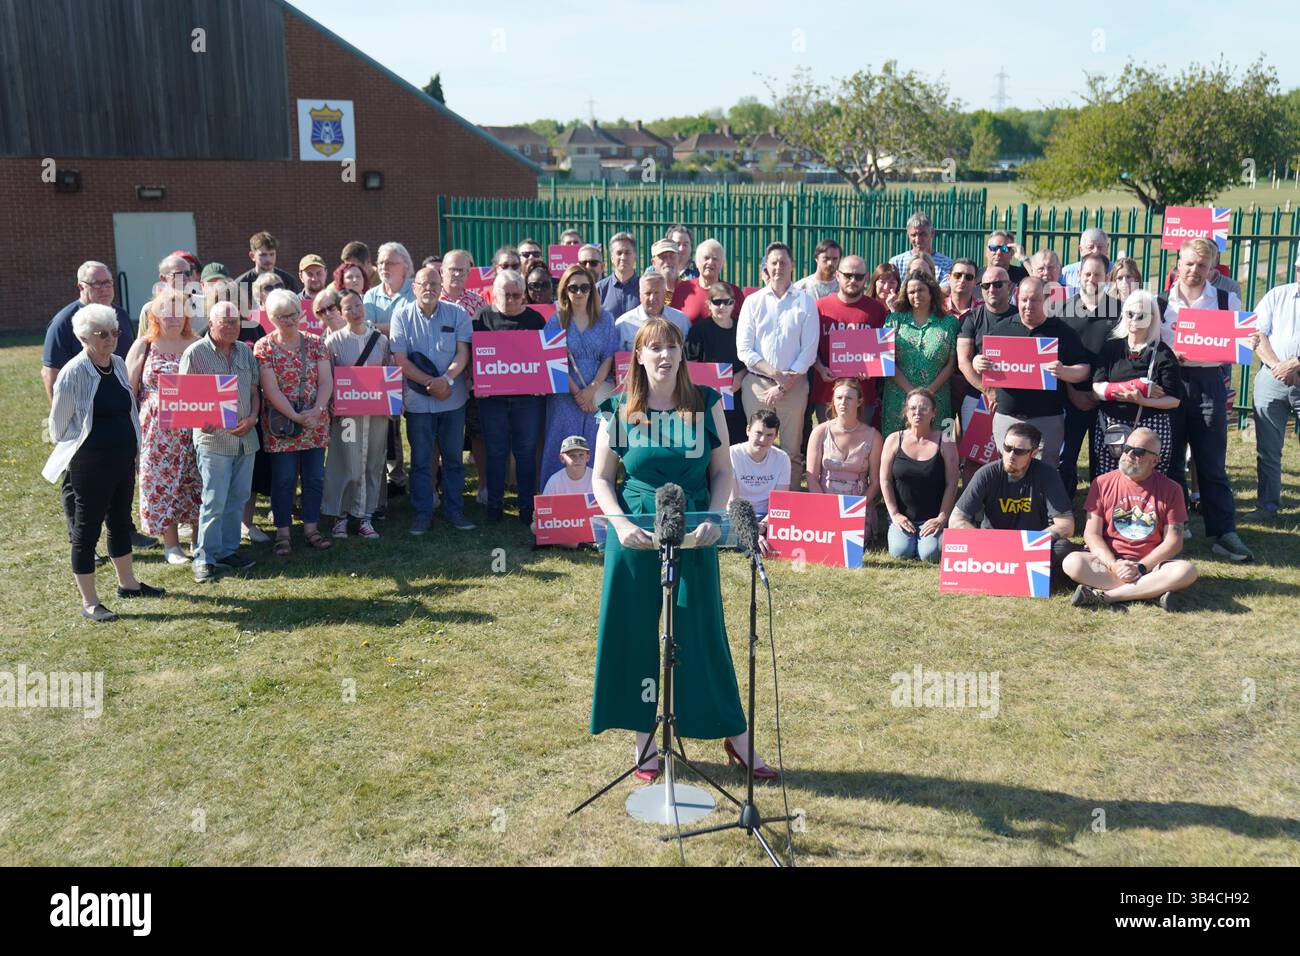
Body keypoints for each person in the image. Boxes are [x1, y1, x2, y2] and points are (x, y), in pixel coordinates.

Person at [590, 317, 776, 781]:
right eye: (654, 348)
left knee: (701, 628)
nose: (664, 355)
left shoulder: (705, 403)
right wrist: (617, 523)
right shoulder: (618, 407)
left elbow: (721, 472)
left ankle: (734, 735)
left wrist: (713, 516)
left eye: (672, 346)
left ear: (681, 355)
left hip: (693, 528)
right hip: (633, 530)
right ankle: (644, 740)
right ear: (638, 355)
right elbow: (601, 477)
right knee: (631, 632)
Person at [43, 304, 164, 622]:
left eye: (114, 332)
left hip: (122, 459)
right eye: (103, 334)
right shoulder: (73, 373)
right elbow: (57, 428)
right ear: (84, 337)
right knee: (86, 530)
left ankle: (128, 584)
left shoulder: (120, 363)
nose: (111, 338)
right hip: (90, 465)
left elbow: (128, 408)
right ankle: (90, 602)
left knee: (121, 521)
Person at [1160, 237, 1253, 562]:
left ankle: (1224, 532)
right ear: (1178, 263)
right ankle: (1173, 528)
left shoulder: (1227, 301)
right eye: (1189, 263)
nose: (1194, 270)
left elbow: (1243, 345)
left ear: (1213, 269)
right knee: (1169, 460)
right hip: (1171, 383)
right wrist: (1172, 355)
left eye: (1202, 265)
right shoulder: (1161, 303)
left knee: (1211, 462)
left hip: (1209, 382)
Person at [1064, 427, 1198, 611]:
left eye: (1139, 452)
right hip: (1110, 563)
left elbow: (1174, 542)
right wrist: (1114, 564)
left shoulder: (1172, 489)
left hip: (1150, 566)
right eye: (1126, 447)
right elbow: (1091, 534)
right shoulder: (1101, 483)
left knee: (1186, 571)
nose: (1128, 454)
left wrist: (1141, 568)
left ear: (1155, 461)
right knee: (1072, 562)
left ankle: (1106, 597)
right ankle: (1150, 591)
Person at [390, 266, 475, 534]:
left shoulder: (458, 314)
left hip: (453, 399)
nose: (429, 289)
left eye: (434, 284)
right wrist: (430, 383)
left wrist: (446, 380)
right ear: (414, 288)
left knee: (453, 459)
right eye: (424, 284)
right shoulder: (401, 316)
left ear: (441, 287)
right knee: (421, 460)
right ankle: (422, 512)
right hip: (418, 403)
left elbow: (463, 353)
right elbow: (400, 360)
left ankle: (454, 510)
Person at [180, 301, 261, 584]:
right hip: (213, 439)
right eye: (224, 321)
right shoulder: (195, 353)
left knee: (238, 497)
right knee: (214, 499)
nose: (231, 326)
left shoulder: (245, 353)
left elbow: (254, 391)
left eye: (235, 322)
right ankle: (204, 556)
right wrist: (199, 418)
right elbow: (184, 397)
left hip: (245, 438)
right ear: (211, 324)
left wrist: (252, 417)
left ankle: (228, 550)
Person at [973, 277, 1091, 468]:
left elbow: (1084, 370)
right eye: (1024, 300)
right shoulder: (1001, 329)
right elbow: (982, 359)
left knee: (1044, 471)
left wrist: (1065, 371)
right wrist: (977, 362)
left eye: (1034, 300)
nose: (1028, 305)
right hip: (1007, 416)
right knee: (1007, 470)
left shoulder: (1062, 332)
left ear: (1046, 300)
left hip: (1047, 418)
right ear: (1017, 300)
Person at [126, 289, 202, 566]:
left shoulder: (197, 344)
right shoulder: (145, 345)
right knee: (162, 484)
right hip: (156, 432)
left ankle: (198, 539)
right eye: (166, 312)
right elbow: (129, 391)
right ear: (154, 315)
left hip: (194, 428)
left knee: (196, 483)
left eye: (178, 312)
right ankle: (171, 545)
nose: (172, 318)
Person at [254, 289, 333, 556]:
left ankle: (312, 528)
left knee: (314, 477)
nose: (289, 320)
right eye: (282, 316)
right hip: (282, 424)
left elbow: (326, 381)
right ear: (271, 317)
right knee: (284, 479)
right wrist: (296, 416)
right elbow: (271, 390)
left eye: (292, 315)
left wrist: (317, 410)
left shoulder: (315, 343)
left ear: (301, 314)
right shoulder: (263, 347)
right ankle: (283, 532)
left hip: (314, 421)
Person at [737, 242, 819, 489]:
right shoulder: (752, 302)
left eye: (783, 262)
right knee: (757, 445)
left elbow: (808, 352)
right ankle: (754, 500)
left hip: (794, 387)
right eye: (773, 262)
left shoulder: (805, 303)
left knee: (791, 452)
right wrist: (774, 374)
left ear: (792, 266)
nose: (778, 267)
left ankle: (788, 505)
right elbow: (744, 349)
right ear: (766, 267)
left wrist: (784, 385)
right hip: (757, 384)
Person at [950, 421, 1078, 579]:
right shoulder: (986, 474)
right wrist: (982, 542)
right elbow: (956, 519)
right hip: (991, 545)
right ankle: (1024, 568)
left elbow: (1066, 525)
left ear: (1033, 453)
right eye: (1007, 448)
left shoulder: (1048, 475)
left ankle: (1012, 567)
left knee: (1064, 548)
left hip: (1030, 544)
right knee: (947, 543)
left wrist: (1027, 544)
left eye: (1019, 451)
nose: (1011, 455)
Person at [474, 270, 548, 524]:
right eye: (508, 294)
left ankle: (527, 508)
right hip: (492, 399)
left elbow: (546, 358)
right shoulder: (482, 318)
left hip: (527, 399)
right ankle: (494, 507)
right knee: (495, 451)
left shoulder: (536, 320)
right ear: (495, 293)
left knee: (525, 452)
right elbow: (473, 356)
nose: (513, 299)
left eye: (518, 294)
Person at [322, 289, 392, 540]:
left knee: (373, 462)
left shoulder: (380, 340)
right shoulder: (334, 342)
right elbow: (327, 378)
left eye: (358, 305)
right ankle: (340, 516)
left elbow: (388, 373)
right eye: (348, 307)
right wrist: (332, 404)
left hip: (375, 413)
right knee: (347, 462)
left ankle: (365, 516)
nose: (355, 311)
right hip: (348, 415)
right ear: (341, 312)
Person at [1090, 290, 1183, 477]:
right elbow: (1096, 389)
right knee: (1111, 478)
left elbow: (1173, 400)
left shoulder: (1162, 354)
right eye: (1129, 314)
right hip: (1113, 426)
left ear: (1152, 318)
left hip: (1150, 428)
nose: (1134, 320)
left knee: (1146, 478)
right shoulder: (1111, 347)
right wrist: (1135, 387)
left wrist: (1142, 400)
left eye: (1141, 315)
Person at [541, 265, 617, 489]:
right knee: (561, 444)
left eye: (585, 287)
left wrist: (591, 391)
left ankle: (597, 501)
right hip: (565, 394)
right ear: (564, 290)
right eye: (573, 287)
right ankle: (555, 504)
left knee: (595, 446)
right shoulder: (556, 322)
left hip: (597, 394)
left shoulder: (606, 319)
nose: (579, 292)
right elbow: (554, 361)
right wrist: (577, 393)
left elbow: (608, 357)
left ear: (592, 290)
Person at [1056, 252, 1122, 498]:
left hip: (1105, 400)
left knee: (1103, 460)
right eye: (1087, 274)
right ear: (1079, 276)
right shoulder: (1062, 311)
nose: (1092, 279)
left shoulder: (1119, 312)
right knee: (1066, 457)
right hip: (1069, 398)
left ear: (1106, 277)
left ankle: (1100, 509)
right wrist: (1072, 391)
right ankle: (1063, 511)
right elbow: (1057, 358)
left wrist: (1098, 394)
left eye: (1097, 274)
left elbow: (1121, 358)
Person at [881, 388, 959, 562]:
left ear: (933, 413)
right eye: (913, 408)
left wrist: (942, 518)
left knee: (929, 555)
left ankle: (933, 536)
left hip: (932, 517)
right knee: (900, 552)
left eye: (924, 408)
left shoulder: (945, 440)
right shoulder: (893, 439)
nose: (918, 413)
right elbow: (884, 480)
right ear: (906, 412)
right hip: (902, 516)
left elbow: (952, 483)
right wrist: (894, 515)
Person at [365, 242, 416, 497]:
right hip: (384, 369)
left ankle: (427, 476)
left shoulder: (415, 291)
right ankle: (395, 476)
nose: (384, 266)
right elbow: (367, 328)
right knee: (389, 424)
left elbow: (413, 330)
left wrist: (382, 326)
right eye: (381, 262)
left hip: (414, 367)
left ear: (405, 266)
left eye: (390, 262)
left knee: (418, 423)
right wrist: (397, 327)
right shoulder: (371, 295)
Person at [811, 254, 888, 424]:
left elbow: (884, 352)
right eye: (848, 275)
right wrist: (820, 368)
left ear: (866, 278)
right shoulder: (820, 307)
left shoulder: (877, 310)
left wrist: (872, 368)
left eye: (859, 276)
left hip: (863, 395)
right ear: (837, 275)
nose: (853, 280)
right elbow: (809, 348)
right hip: (827, 393)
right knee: (829, 445)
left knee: (859, 447)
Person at [1251, 257, 1300, 519]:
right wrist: (1278, 366)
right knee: (1267, 448)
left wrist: (1295, 363)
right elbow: (1257, 334)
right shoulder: (1276, 295)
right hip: (1272, 377)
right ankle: (1267, 506)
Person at [883, 273, 959, 437]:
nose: (916, 295)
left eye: (921, 290)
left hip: (937, 397)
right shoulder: (893, 320)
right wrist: (912, 392)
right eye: (911, 292)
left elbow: (951, 364)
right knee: (897, 446)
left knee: (940, 446)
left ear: (931, 292)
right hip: (899, 397)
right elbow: (886, 361)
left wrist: (928, 393)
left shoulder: (950, 322)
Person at [806, 378, 882, 537]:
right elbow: (811, 477)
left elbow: (875, 482)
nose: (843, 403)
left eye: (849, 398)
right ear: (833, 400)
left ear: (860, 402)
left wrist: (856, 507)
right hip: (824, 502)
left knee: (848, 536)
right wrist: (825, 505)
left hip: (857, 504)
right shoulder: (820, 432)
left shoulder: (873, 436)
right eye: (839, 398)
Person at [956, 266, 1019, 444]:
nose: (992, 289)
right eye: (986, 286)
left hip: (1015, 399)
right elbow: (963, 362)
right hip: (979, 396)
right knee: (974, 454)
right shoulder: (971, 318)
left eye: (998, 284)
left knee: (1013, 453)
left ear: (1010, 287)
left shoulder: (1022, 317)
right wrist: (989, 391)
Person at [685, 281, 748, 445]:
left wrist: (741, 376)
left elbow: (752, 358)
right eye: (717, 302)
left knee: (736, 442)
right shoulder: (699, 331)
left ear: (734, 304)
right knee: (711, 442)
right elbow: (691, 364)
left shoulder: (743, 328)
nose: (722, 306)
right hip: (708, 397)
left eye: (727, 302)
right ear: (708, 304)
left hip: (738, 395)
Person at [729, 409, 788, 556]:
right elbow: (732, 502)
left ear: (776, 436)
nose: (763, 440)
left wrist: (763, 525)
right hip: (736, 515)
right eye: (758, 433)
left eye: (769, 435)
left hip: (767, 518)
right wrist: (749, 528)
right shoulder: (732, 453)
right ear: (748, 430)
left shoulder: (782, 458)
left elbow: (780, 502)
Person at [670, 239, 744, 323]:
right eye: (706, 258)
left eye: (715, 259)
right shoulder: (683, 289)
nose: (710, 262)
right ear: (697, 262)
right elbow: (673, 323)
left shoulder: (734, 293)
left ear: (722, 264)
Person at [615, 269, 690, 350]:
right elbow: (618, 358)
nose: (652, 298)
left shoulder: (681, 320)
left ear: (665, 293)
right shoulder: (624, 324)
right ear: (640, 294)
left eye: (657, 293)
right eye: (648, 293)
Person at [234, 231, 300, 316]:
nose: (268, 259)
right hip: (252, 327)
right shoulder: (241, 284)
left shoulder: (288, 280)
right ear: (252, 256)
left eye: (272, 254)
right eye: (263, 255)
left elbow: (296, 310)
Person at [136, 253, 195, 334]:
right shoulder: (149, 309)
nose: (185, 278)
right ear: (163, 278)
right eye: (178, 274)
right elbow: (143, 342)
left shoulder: (201, 306)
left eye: (188, 273)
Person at [889, 211, 954, 284]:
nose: (918, 240)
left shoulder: (946, 263)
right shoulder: (896, 262)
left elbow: (947, 290)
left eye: (922, 234)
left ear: (932, 233)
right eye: (913, 235)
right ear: (908, 235)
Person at [596, 232, 641, 319]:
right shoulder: (600, 289)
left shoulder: (645, 287)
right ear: (612, 258)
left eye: (627, 253)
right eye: (619, 253)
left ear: (635, 256)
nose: (623, 257)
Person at [440, 249, 489, 317]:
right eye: (453, 270)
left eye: (461, 270)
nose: (457, 274)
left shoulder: (478, 303)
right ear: (442, 271)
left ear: (468, 273)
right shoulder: (432, 300)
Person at [297, 254, 329, 334]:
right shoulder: (294, 304)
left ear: (326, 273)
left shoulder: (336, 302)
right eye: (309, 274)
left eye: (319, 273)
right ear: (301, 276)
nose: (314, 278)